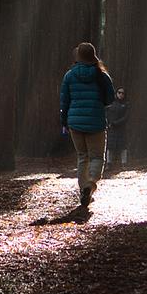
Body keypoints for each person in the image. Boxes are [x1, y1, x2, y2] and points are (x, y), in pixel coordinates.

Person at [59, 42, 115, 207]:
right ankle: (90, 186)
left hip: (75, 122)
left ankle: (84, 188)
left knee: (82, 156)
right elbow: (110, 98)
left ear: (78, 56)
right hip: (96, 121)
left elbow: (64, 101)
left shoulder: (69, 75)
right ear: (93, 55)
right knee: (97, 157)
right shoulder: (101, 75)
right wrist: (99, 103)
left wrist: (64, 122)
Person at [105, 88, 129, 169]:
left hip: (121, 128)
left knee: (123, 146)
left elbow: (126, 117)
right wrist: (109, 123)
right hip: (111, 128)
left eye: (123, 93)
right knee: (110, 146)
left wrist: (117, 123)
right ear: (116, 93)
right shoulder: (111, 103)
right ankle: (109, 163)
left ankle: (124, 164)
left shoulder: (126, 104)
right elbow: (107, 114)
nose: (121, 94)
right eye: (119, 92)